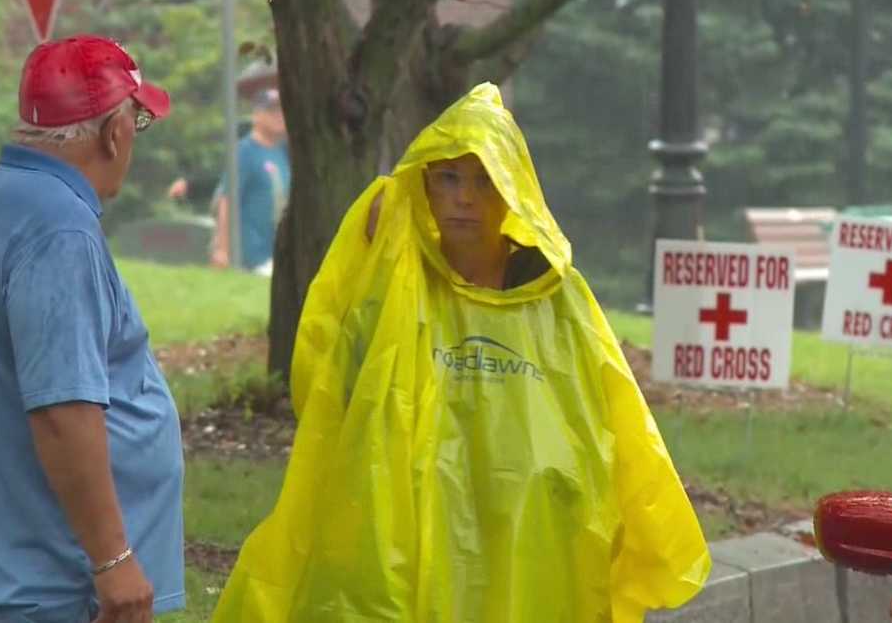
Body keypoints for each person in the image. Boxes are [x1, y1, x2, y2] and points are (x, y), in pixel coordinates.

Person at [212, 83, 710, 622]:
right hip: (420, 524)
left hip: (528, 530)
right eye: (447, 178)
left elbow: (618, 416)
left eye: (483, 180)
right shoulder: (403, 282)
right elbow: (334, 372)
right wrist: (376, 238)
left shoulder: (553, 295)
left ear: (511, 191)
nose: (465, 198)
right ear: (425, 187)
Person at [0, 35, 186, 623]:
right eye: (138, 122)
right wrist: (115, 560)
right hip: (45, 590)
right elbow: (63, 412)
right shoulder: (58, 230)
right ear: (115, 132)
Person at [167, 89, 290, 274]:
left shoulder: (283, 153)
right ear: (257, 114)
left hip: (276, 253)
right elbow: (227, 200)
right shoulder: (244, 152)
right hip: (252, 258)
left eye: (282, 110)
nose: (279, 116)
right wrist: (222, 250)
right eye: (272, 110)